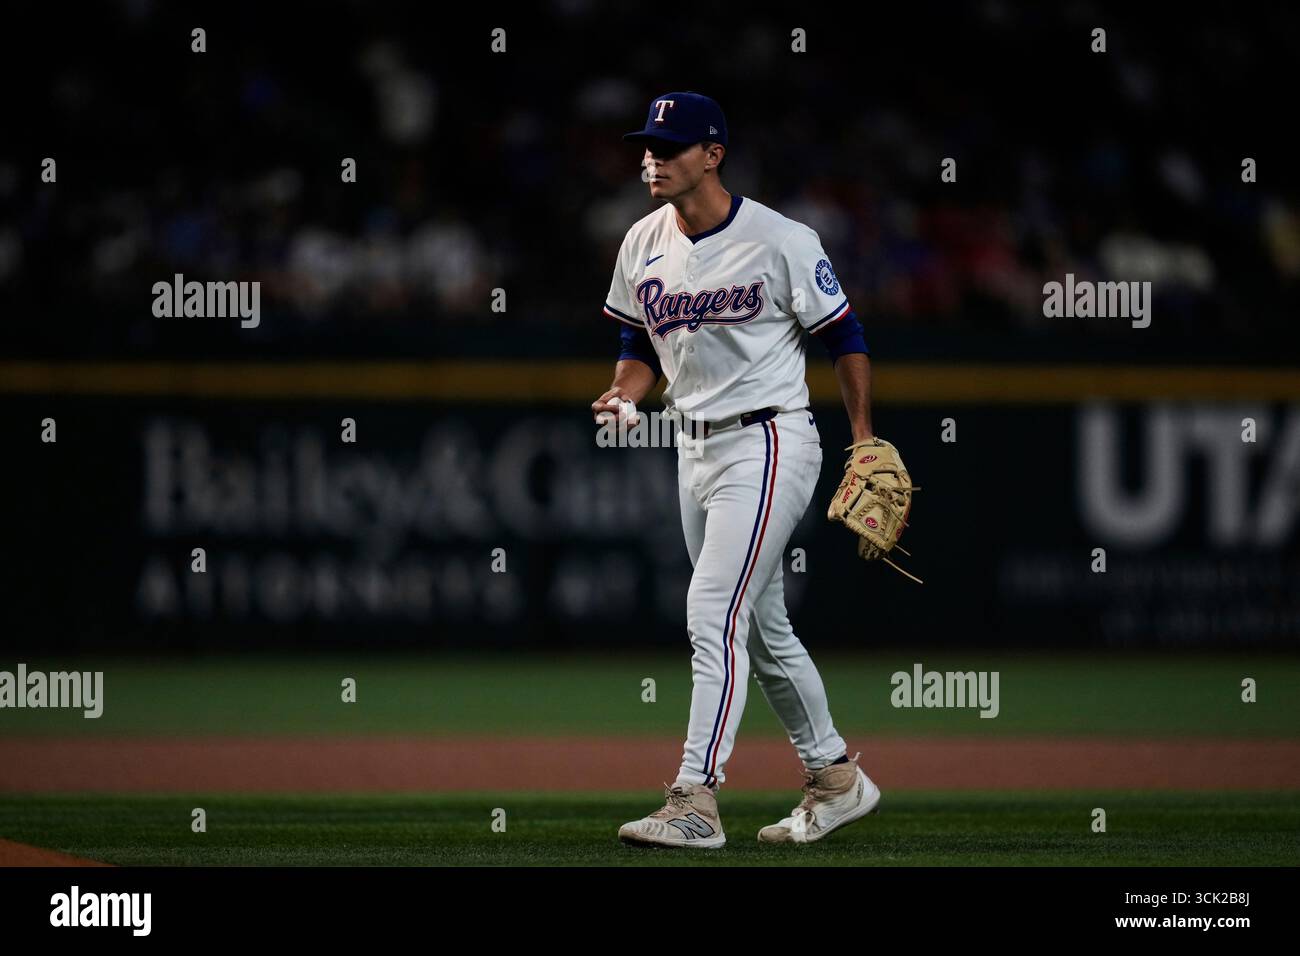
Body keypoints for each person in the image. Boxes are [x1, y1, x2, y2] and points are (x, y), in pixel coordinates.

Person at [593, 92, 882, 848]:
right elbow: (636, 352)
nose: (651, 157)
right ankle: (835, 776)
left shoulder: (780, 238)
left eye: (670, 145)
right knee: (761, 624)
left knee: (711, 612)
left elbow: (845, 335)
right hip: (691, 446)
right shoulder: (641, 241)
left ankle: (696, 797)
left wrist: (862, 438)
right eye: (647, 145)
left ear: (713, 154)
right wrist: (625, 400)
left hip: (771, 440)